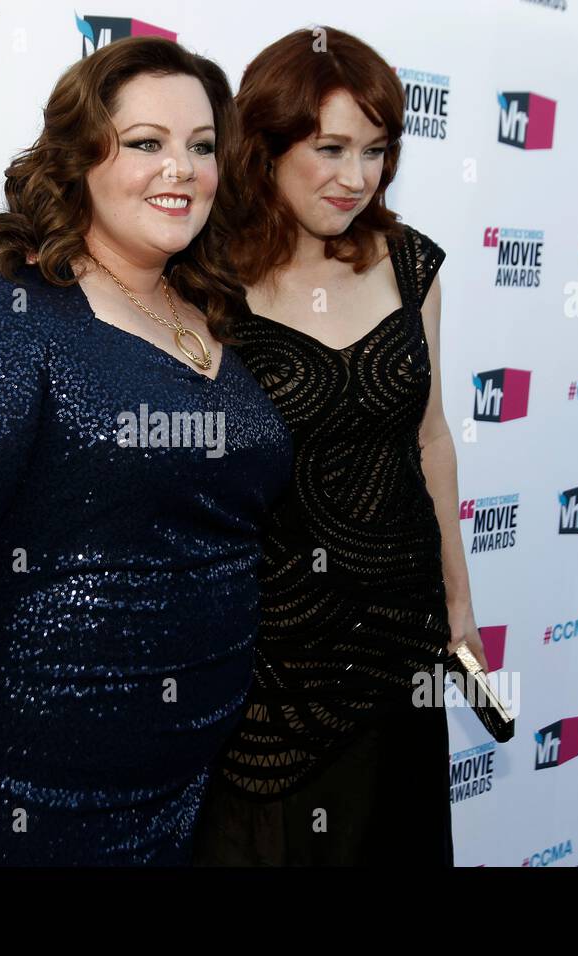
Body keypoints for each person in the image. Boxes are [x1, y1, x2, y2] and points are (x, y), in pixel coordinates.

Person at [0, 37, 291, 866]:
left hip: (189, 778)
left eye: (202, 146)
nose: (181, 169)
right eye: (145, 143)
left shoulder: (208, 311)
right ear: (80, 158)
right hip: (30, 787)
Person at [190, 26, 485, 866]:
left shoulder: (409, 263)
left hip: (402, 629)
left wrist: (459, 604)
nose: (357, 177)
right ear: (267, 145)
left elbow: (430, 437)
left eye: (376, 151)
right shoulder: (205, 276)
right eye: (330, 148)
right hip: (276, 649)